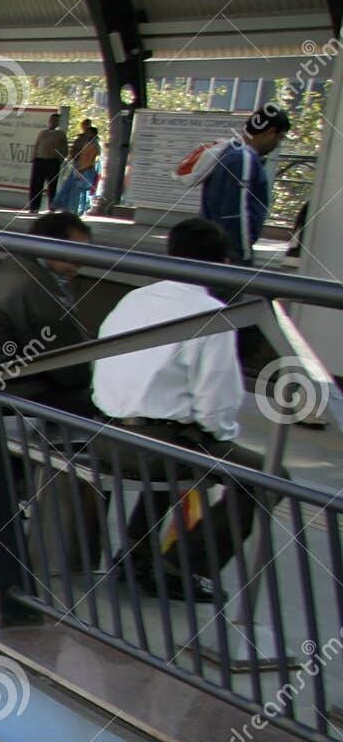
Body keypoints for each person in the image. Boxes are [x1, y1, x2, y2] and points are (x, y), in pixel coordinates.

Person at [91, 217, 271, 602]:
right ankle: (181, 568)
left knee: (179, 442)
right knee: (264, 475)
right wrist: (220, 435)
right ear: (220, 263)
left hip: (104, 433)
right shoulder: (212, 314)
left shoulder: (134, 298)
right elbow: (216, 408)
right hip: (153, 446)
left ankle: (138, 555)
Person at [0, 211, 96, 418]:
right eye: (75, 253)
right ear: (49, 245)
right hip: (1, 394)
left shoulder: (11, 267)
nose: (79, 263)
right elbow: (70, 369)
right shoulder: (35, 286)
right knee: (103, 401)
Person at [191, 104, 291, 263]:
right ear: (271, 132)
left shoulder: (229, 152)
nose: (277, 144)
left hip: (213, 247)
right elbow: (238, 212)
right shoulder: (244, 158)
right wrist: (242, 254)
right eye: (280, 138)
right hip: (227, 253)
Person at [55, 120, 101, 214]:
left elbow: (90, 160)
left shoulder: (93, 146)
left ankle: (76, 210)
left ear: (92, 134)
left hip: (86, 170)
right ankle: (77, 209)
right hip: (82, 168)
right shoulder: (87, 143)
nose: (87, 134)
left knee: (79, 190)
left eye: (89, 132)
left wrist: (81, 170)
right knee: (80, 190)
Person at [27, 112, 68, 213]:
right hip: (39, 160)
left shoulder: (61, 134)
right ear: (49, 121)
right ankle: (34, 207)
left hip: (53, 161)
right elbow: (37, 145)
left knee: (52, 185)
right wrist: (34, 157)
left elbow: (64, 149)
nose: (55, 122)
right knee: (36, 185)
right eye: (53, 120)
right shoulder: (42, 133)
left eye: (57, 121)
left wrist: (61, 159)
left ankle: (52, 206)